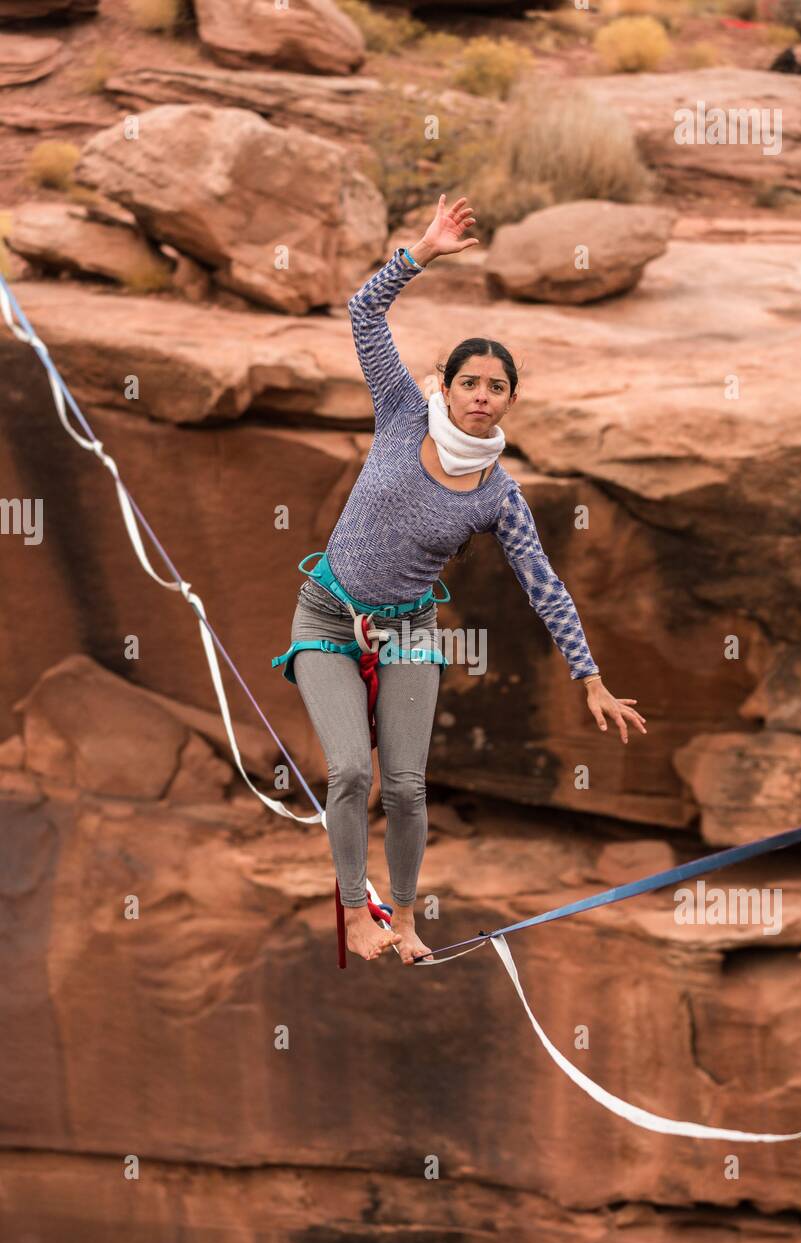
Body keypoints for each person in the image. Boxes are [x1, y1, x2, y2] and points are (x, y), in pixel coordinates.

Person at [287, 195, 646, 965]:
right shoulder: (398, 414)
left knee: (409, 787)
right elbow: (362, 312)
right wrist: (421, 250)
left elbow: (543, 585)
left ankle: (409, 920)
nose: (481, 395)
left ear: (511, 400)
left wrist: (590, 679)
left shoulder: (497, 494)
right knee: (352, 770)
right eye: (469, 382)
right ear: (445, 387)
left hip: (410, 628)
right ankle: (356, 912)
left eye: (496, 387)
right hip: (327, 614)